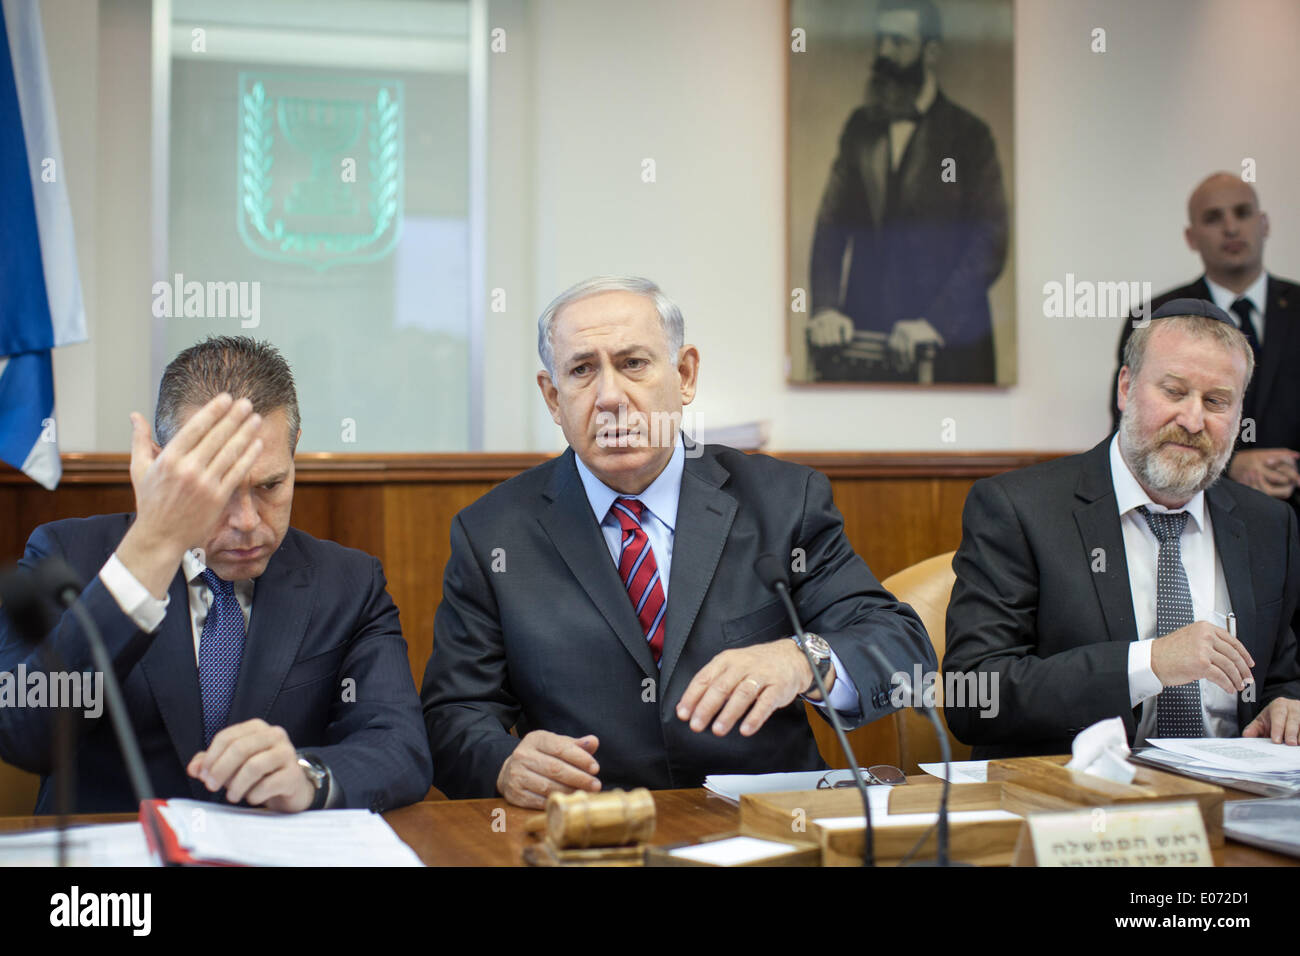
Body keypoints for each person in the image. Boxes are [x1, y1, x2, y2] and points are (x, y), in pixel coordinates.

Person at [422, 276, 934, 807]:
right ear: (553, 398)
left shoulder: (782, 501)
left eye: (634, 364)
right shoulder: (494, 534)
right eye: (581, 371)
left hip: (769, 826)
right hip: (593, 831)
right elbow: (453, 715)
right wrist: (505, 763)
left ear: (685, 375)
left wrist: (802, 659)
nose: (610, 398)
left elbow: (902, 649)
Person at [0, 337, 431, 813]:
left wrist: (309, 777)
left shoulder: (349, 583)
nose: (247, 521)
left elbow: (401, 747)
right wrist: (151, 551)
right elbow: (25, 734)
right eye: (217, 487)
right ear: (163, 466)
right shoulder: (68, 558)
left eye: (270, 485)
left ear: (295, 453)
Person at [946, 300, 1300, 758]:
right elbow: (973, 696)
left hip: (1230, 806)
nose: (1193, 421)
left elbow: (1281, 676)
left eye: (1216, 401)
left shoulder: (1270, 525)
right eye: (1174, 392)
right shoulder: (1019, 509)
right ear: (1126, 388)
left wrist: (1285, 705)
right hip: (1076, 805)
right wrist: (1148, 663)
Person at [807, 0, 1008, 383]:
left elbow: (990, 240)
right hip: (867, 344)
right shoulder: (860, 128)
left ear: (930, 52)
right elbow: (831, 226)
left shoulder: (970, 135)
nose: (884, 52)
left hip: (952, 348)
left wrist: (934, 323)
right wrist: (826, 309)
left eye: (898, 41)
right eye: (881, 39)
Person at [1110, 173, 1300, 503]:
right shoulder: (1155, 316)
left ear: (1264, 223)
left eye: (1242, 213)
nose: (1230, 228)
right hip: (1199, 509)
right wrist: (1230, 465)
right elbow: (1129, 424)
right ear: (1191, 237)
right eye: (1213, 218)